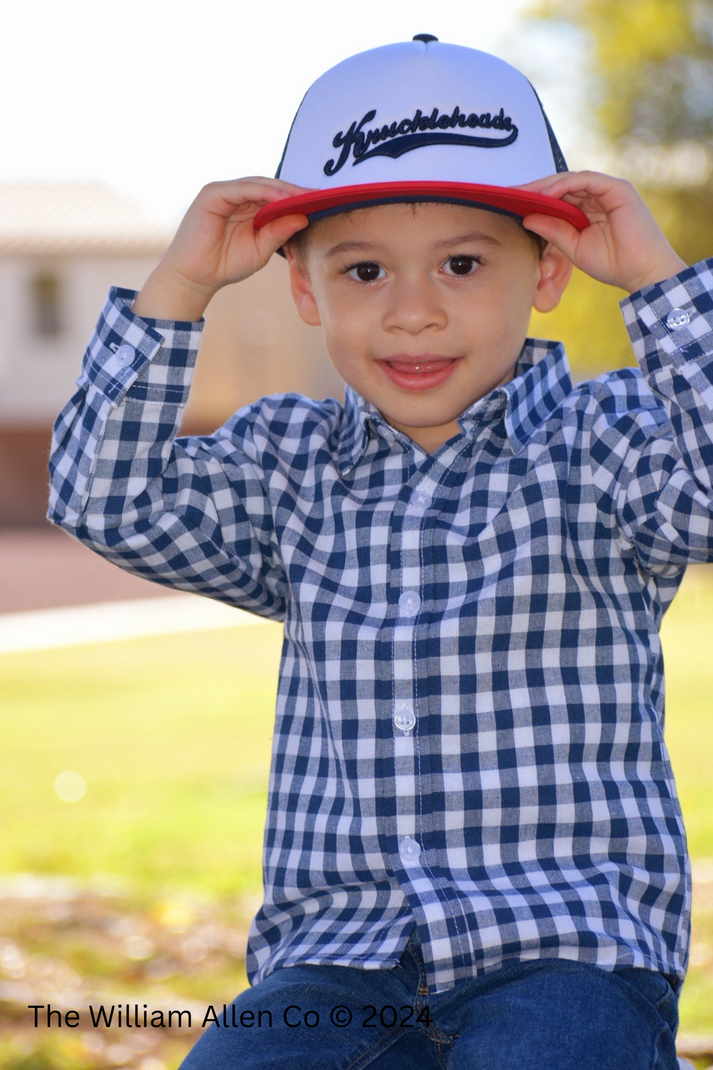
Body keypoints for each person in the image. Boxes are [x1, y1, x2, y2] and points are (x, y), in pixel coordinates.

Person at [46, 34, 709, 1070]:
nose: (412, 309)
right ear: (303, 287)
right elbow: (103, 498)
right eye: (362, 269)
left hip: (567, 951)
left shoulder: (609, 439)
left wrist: (657, 282)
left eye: (461, 262)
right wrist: (178, 284)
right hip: (332, 962)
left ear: (546, 267)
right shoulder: (288, 465)